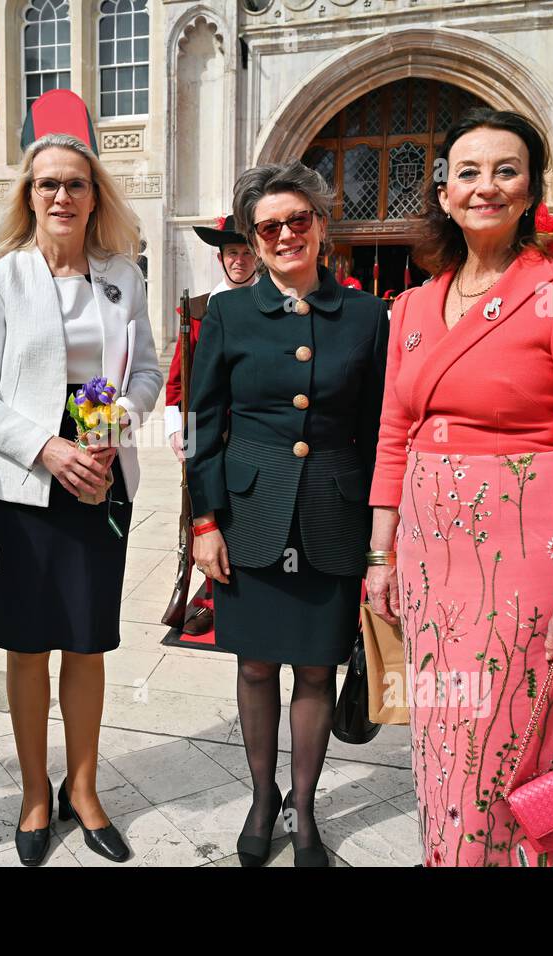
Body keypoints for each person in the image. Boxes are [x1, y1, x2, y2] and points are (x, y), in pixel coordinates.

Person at [365, 109, 553, 867]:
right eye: (469, 171)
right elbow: (393, 435)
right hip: (426, 557)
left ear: (530, 192)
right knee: (445, 735)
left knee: (508, 739)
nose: (486, 186)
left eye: (506, 170)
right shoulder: (413, 305)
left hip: (524, 559)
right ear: (444, 192)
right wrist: (380, 557)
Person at [0, 115, 162, 866]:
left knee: (86, 636)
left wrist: (114, 425)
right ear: (29, 195)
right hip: (21, 477)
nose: (62, 195)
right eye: (48, 184)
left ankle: (85, 788)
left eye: (76, 183)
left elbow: (146, 370)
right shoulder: (1, 278)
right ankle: (36, 794)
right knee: (26, 640)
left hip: (101, 463)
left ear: (94, 193)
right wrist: (47, 446)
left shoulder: (122, 275)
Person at [186, 162, 388, 867]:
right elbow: (201, 420)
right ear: (254, 237)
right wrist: (203, 522)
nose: (284, 235)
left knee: (313, 669)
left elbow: (379, 430)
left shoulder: (367, 317)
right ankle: (262, 795)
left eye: (298, 221)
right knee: (253, 667)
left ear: (322, 227)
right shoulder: (229, 313)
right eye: (268, 226)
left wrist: (381, 540)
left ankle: (303, 808)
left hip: (333, 514)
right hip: (250, 513)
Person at [165, 214, 257, 636]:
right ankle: (206, 595)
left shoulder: (270, 302)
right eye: (231, 253)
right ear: (221, 258)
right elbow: (177, 380)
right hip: (210, 431)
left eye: (245, 252)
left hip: (255, 433)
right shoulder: (200, 309)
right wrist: (175, 427)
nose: (239, 260)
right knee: (204, 516)